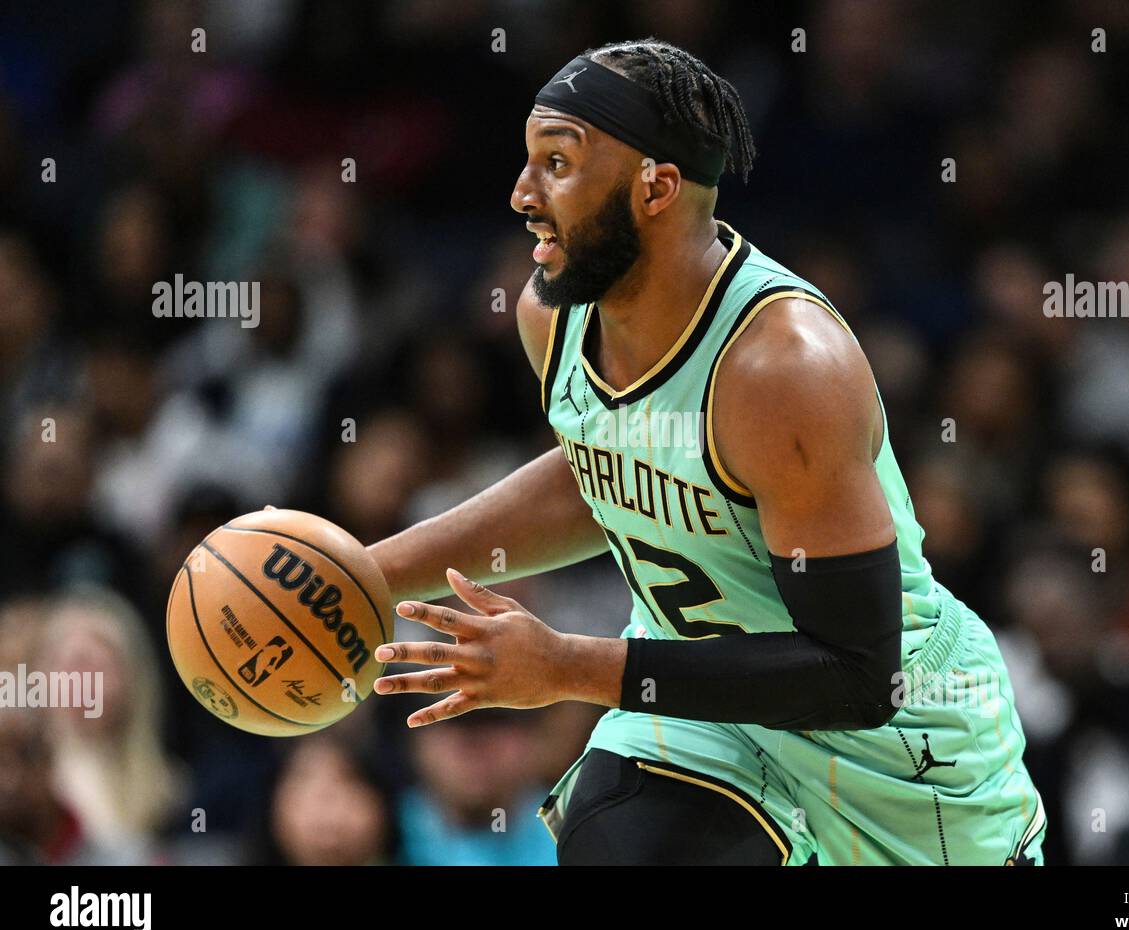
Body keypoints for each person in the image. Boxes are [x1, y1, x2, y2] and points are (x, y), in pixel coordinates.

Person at [367, 39, 1044, 865]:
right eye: (527, 161)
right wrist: (370, 573)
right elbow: (602, 474)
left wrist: (569, 665)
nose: (522, 195)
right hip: (701, 712)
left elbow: (855, 675)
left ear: (654, 187)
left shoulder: (783, 368)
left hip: (895, 742)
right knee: (620, 843)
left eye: (557, 164)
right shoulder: (554, 313)